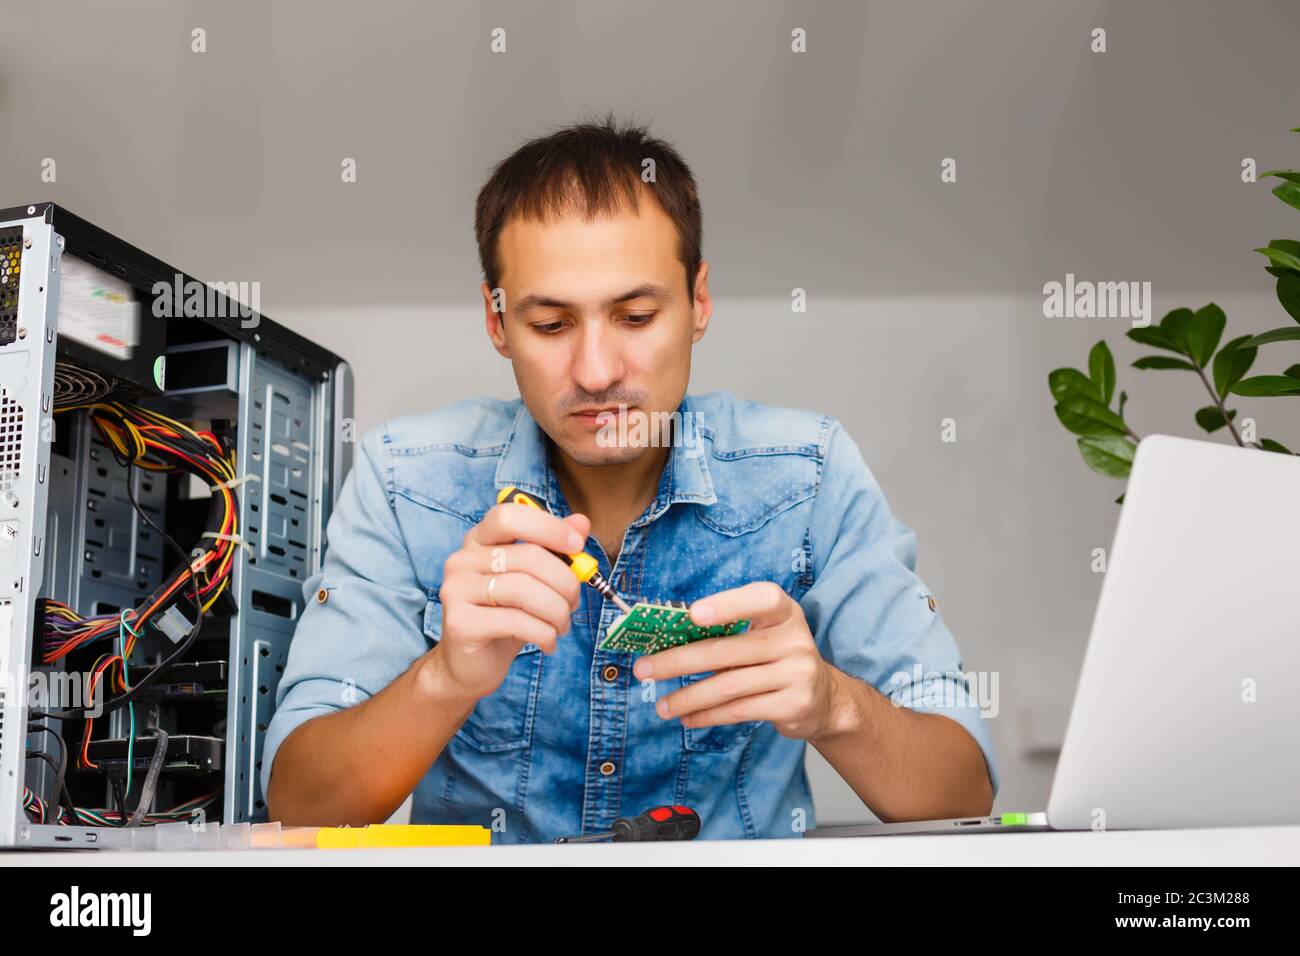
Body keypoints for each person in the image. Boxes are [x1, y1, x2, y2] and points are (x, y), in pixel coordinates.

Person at [262, 113, 997, 842]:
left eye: (636, 316)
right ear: (496, 322)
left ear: (699, 302)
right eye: (550, 326)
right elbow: (299, 805)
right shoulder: (403, 482)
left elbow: (962, 796)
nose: (596, 372)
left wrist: (837, 706)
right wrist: (445, 678)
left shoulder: (808, 476)